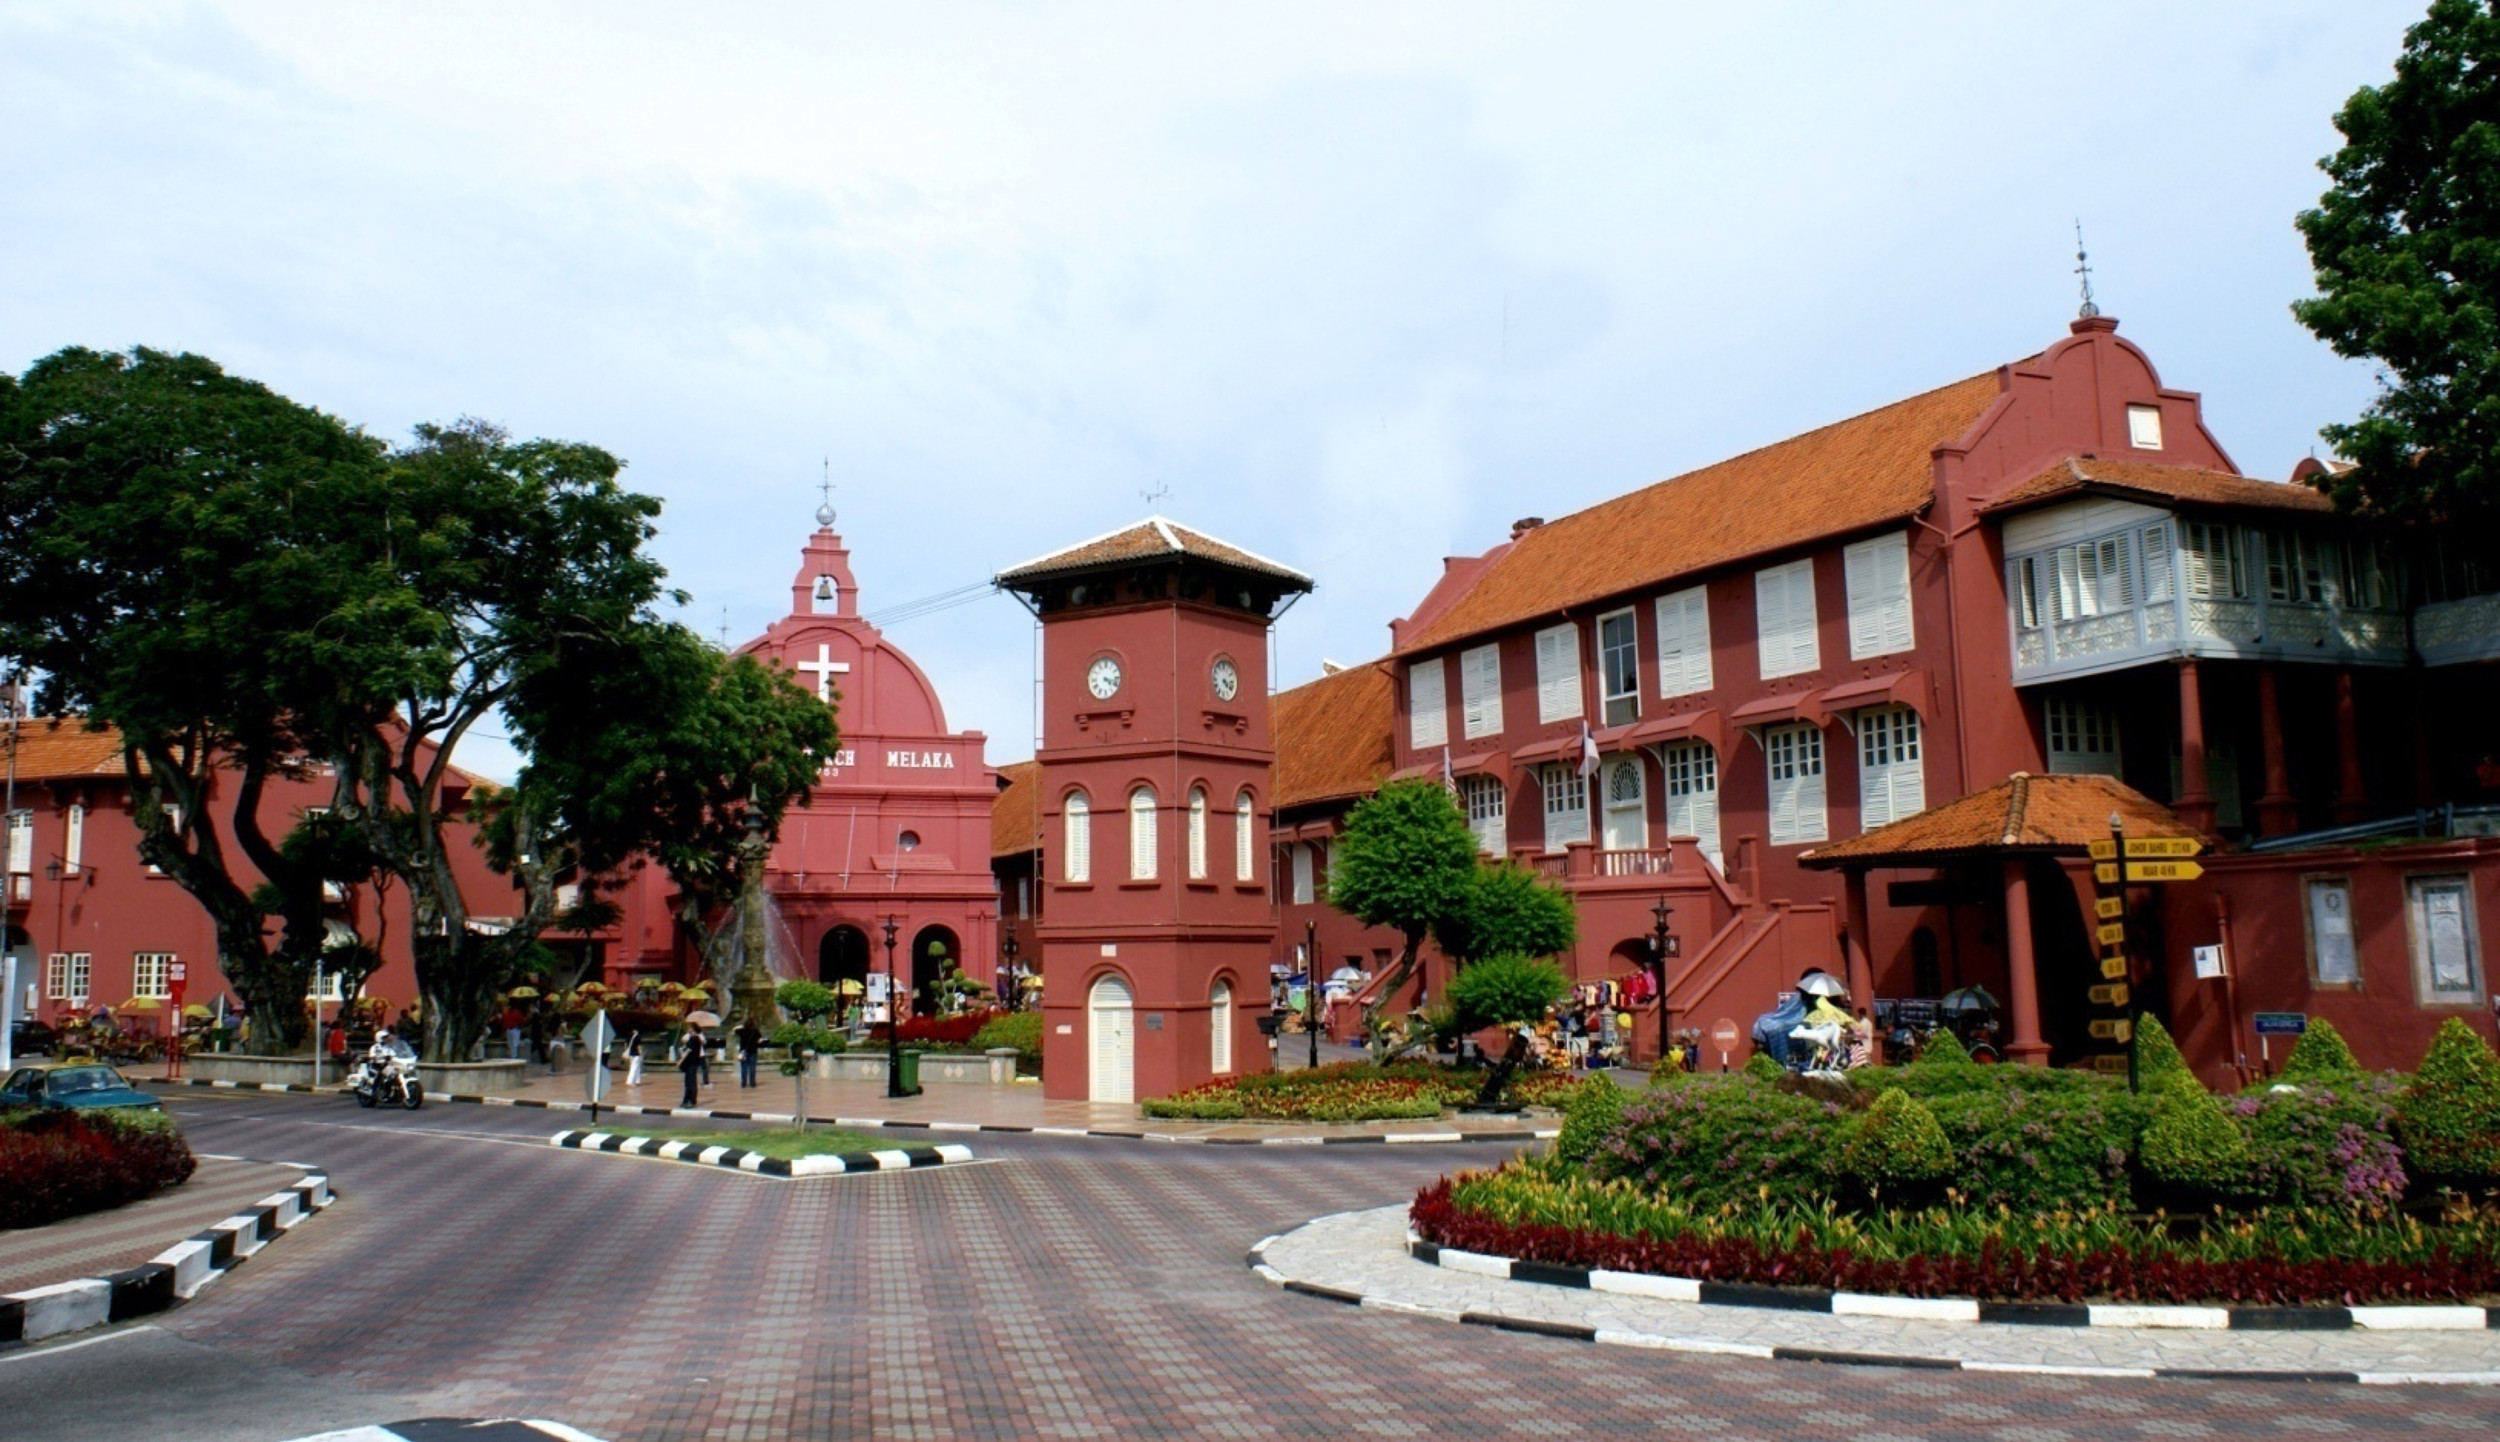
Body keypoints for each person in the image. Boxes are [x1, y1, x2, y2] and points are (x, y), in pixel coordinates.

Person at [677, 1026, 707, 1108]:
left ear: (693, 1030)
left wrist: (680, 1061)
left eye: (690, 1028)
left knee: (690, 1082)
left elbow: (688, 1051)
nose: (688, 1029)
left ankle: (690, 1100)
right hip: (693, 1062)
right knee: (690, 1082)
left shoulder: (694, 1039)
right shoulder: (695, 1038)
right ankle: (688, 1099)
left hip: (691, 1062)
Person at [734, 1017, 763, 1089]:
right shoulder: (756, 1031)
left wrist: (741, 1026)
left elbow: (734, 1029)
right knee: (752, 1068)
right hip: (753, 1051)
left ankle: (743, 1083)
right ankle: (752, 1083)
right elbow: (760, 1040)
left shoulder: (742, 1031)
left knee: (744, 1067)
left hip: (744, 1052)